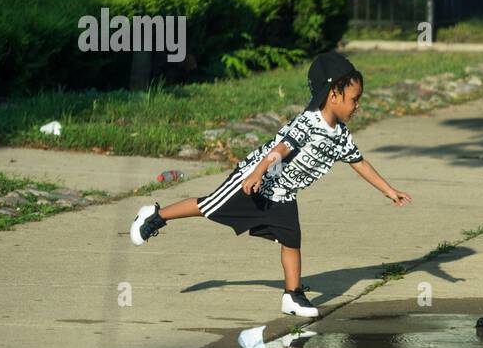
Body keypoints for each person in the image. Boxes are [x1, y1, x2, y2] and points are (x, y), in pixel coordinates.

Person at [128, 51, 411, 317]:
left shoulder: (340, 135)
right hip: (254, 181)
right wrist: (258, 172)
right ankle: (155, 216)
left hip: (283, 193)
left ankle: (292, 295)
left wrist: (389, 190)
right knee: (209, 207)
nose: (357, 105)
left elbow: (358, 161)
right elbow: (281, 148)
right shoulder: (309, 122)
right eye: (354, 98)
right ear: (334, 94)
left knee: (291, 239)